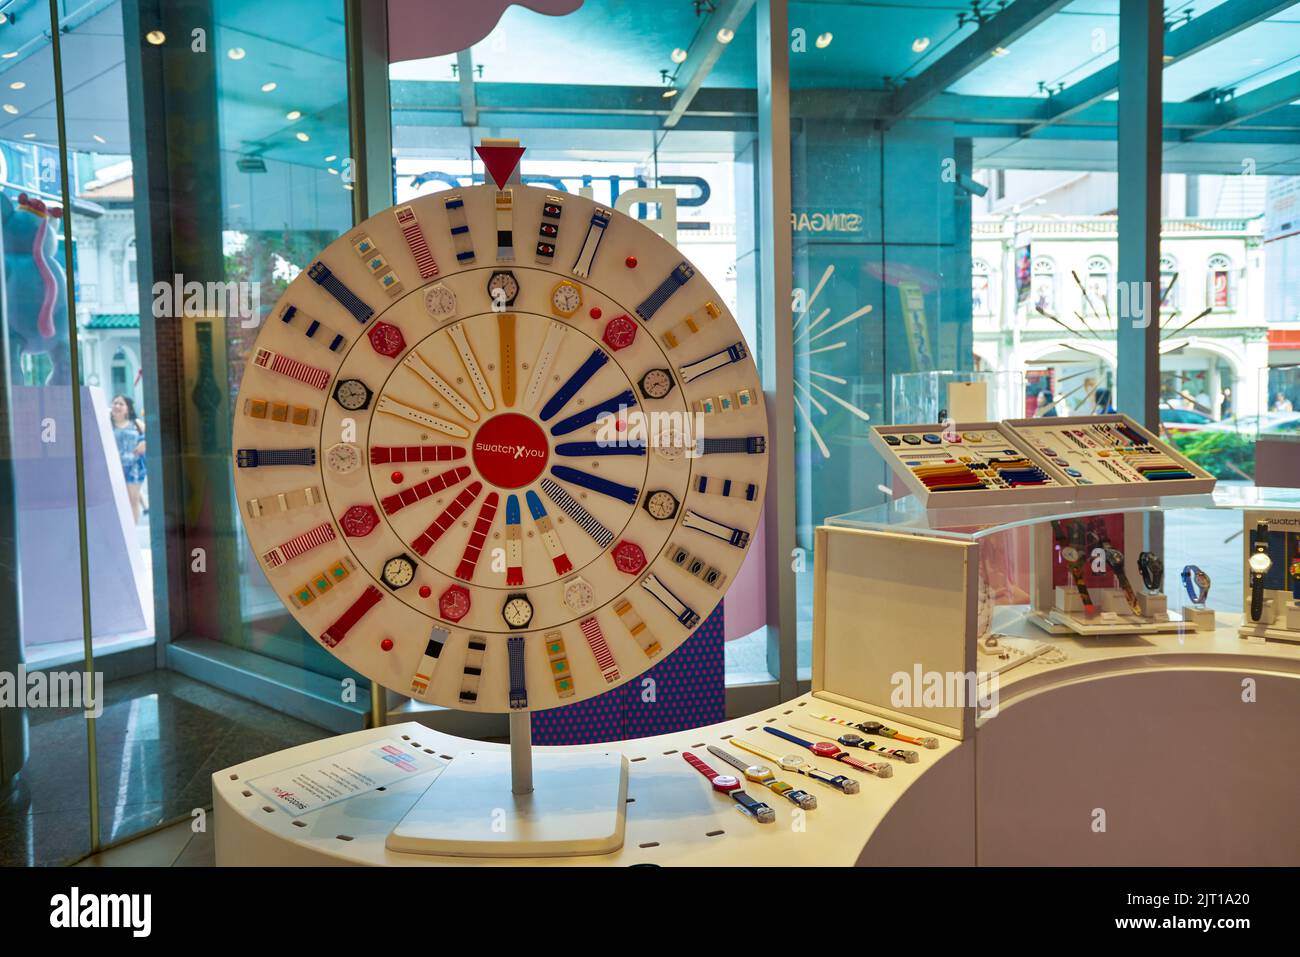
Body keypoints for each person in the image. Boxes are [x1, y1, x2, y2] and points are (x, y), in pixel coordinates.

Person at [111, 394, 147, 523]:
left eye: (121, 404)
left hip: (135, 468)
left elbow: (152, 437)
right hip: (114, 469)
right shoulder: (106, 425)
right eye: (115, 403)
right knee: (118, 501)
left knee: (133, 500)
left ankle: (132, 531)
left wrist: (144, 444)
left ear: (128, 408)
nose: (117, 406)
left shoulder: (137, 424)